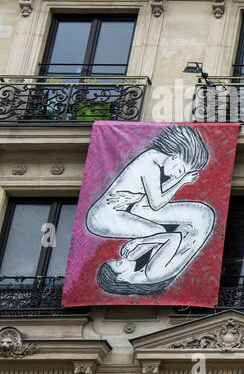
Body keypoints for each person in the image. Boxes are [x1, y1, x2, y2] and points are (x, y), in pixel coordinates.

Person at [85, 124, 215, 297]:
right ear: (175, 157)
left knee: (144, 215)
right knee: (155, 228)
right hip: (197, 218)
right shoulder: (151, 274)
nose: (175, 175)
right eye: (180, 169)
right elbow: (159, 208)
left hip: (194, 220)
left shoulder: (155, 159)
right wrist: (182, 180)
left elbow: (157, 199)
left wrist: (139, 199)